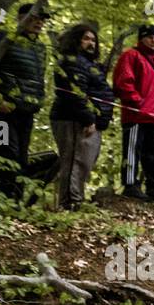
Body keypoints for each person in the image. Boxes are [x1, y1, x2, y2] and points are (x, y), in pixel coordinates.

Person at [0, 3, 49, 200]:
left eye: (42, 19)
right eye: (34, 17)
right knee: (6, 153)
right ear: (21, 18)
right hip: (2, 112)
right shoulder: (4, 39)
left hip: (27, 112)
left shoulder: (40, 48)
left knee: (20, 157)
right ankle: (3, 199)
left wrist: (37, 101)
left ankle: (15, 203)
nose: (39, 22)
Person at [50, 22, 113, 209]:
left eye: (93, 39)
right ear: (76, 40)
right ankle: (71, 203)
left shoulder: (89, 64)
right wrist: (88, 118)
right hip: (73, 119)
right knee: (74, 161)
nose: (91, 43)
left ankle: (75, 200)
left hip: (89, 120)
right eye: (86, 38)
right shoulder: (72, 61)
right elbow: (75, 93)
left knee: (84, 162)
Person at [112, 25, 154, 200]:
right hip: (136, 114)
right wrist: (136, 101)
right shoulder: (131, 56)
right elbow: (123, 81)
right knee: (133, 149)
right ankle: (130, 184)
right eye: (149, 37)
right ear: (141, 38)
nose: (153, 40)